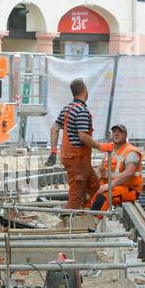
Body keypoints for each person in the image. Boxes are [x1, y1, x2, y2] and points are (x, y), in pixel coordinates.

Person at [46, 78, 96, 209]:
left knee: (94, 186)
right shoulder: (82, 111)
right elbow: (83, 136)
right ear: (85, 91)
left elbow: (54, 129)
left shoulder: (67, 109)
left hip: (71, 157)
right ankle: (70, 221)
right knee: (76, 195)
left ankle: (89, 211)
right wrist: (101, 146)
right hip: (78, 159)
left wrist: (53, 152)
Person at [89, 124, 143, 212]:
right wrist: (92, 183)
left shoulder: (131, 152)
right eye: (114, 132)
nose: (116, 134)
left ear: (125, 135)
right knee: (89, 194)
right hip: (113, 187)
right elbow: (100, 169)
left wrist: (109, 185)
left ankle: (94, 222)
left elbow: (129, 172)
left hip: (129, 190)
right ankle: (85, 217)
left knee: (104, 197)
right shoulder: (110, 150)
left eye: (120, 132)